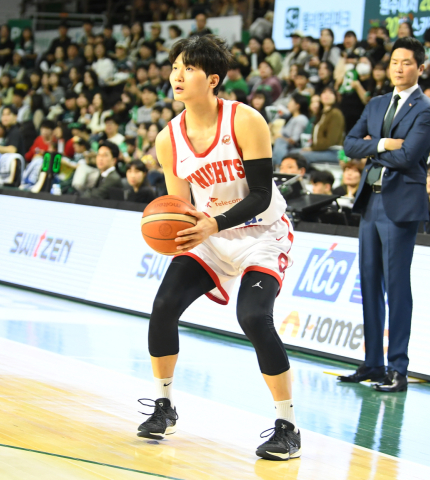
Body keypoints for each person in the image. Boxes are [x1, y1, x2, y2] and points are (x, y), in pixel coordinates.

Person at [141, 34, 300, 461]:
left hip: (262, 235)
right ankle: (164, 405)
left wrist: (212, 223)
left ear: (212, 79)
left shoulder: (245, 120)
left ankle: (287, 427)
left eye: (188, 68)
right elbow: (180, 207)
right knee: (164, 304)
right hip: (210, 235)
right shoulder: (168, 139)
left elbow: (263, 194)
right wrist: (183, 231)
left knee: (252, 316)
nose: (177, 75)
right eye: (175, 66)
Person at [341, 37, 430, 393]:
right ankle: (372, 363)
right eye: (395, 61)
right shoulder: (377, 102)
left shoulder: (427, 108)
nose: (399, 67)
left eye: (407, 62)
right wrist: (382, 144)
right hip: (372, 202)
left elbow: (409, 157)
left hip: (401, 205)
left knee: (396, 288)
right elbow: (349, 145)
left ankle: (398, 368)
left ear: (420, 68)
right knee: (368, 285)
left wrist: (373, 151)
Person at [299, 86, 344, 163]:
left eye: (330, 93)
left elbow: (331, 141)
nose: (327, 95)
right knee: (293, 153)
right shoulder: (321, 114)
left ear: (335, 97)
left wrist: (312, 149)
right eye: (324, 93)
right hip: (320, 150)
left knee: (301, 157)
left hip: (332, 152)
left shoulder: (336, 114)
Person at [272, 93, 310, 167]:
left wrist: (281, 137)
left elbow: (294, 140)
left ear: (297, 105)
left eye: (291, 102)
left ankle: (280, 165)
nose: (288, 104)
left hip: (291, 147)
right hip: (282, 145)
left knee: (280, 141)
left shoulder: (301, 119)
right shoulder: (291, 117)